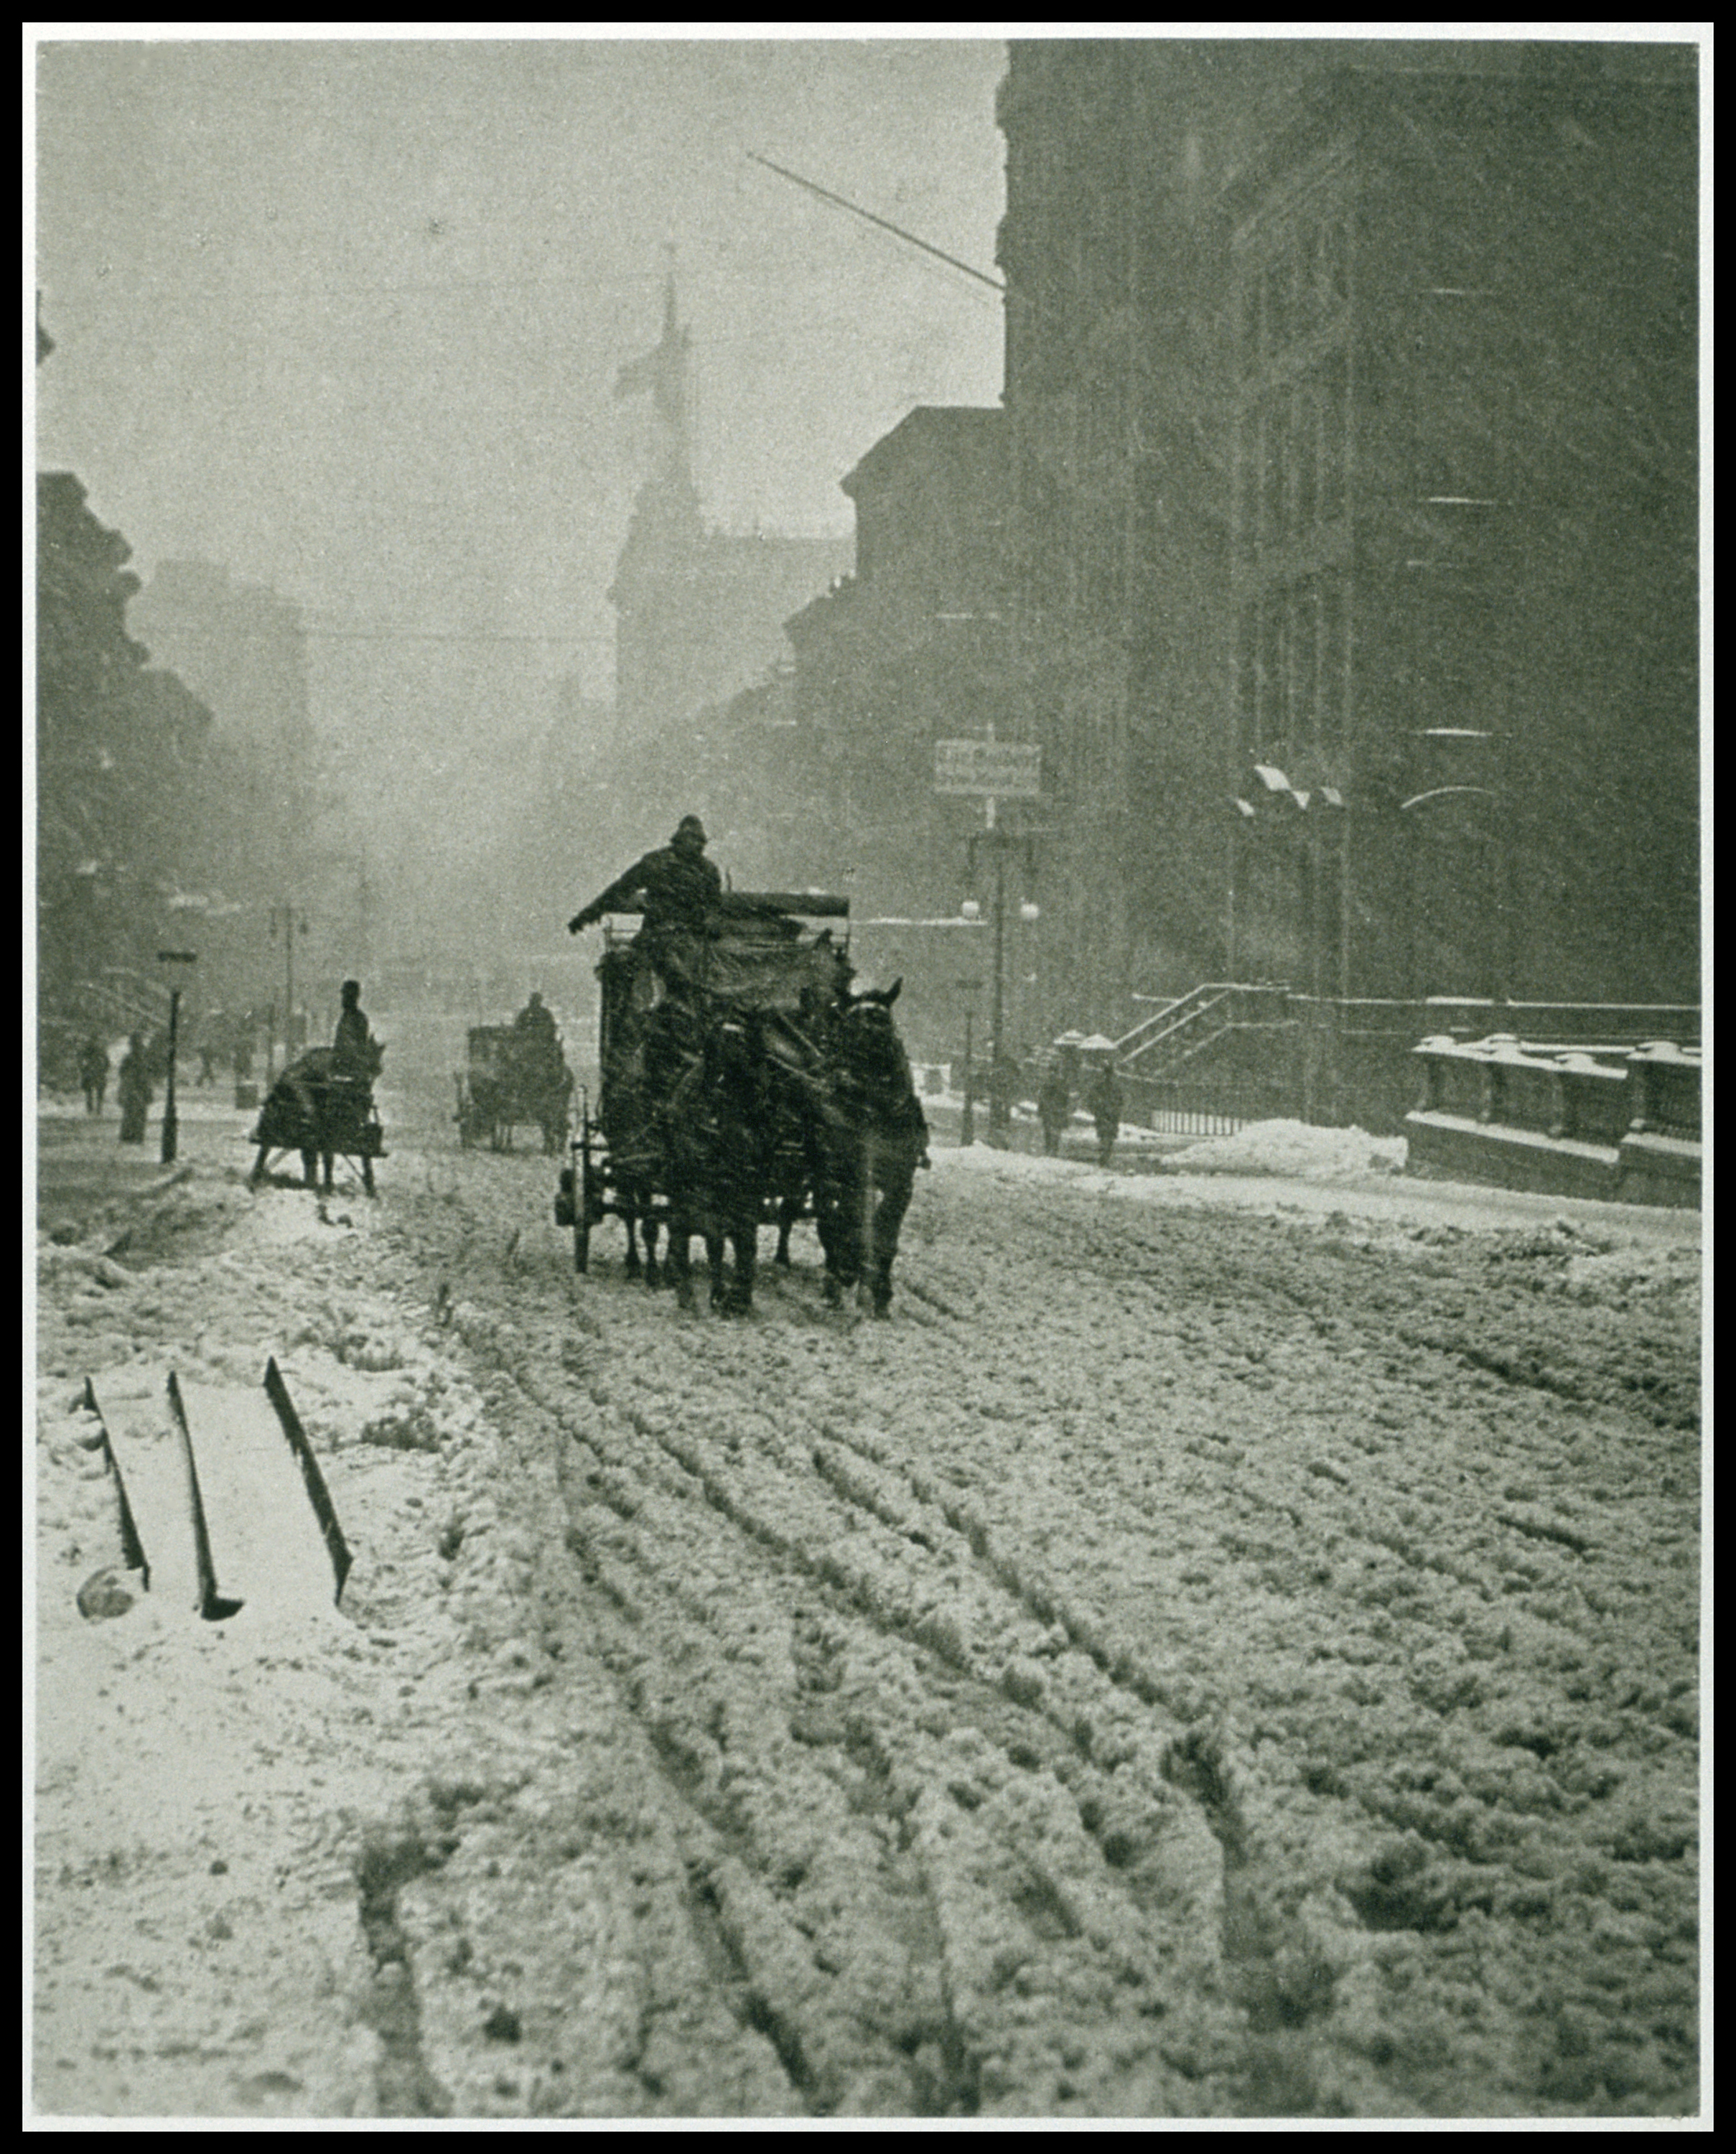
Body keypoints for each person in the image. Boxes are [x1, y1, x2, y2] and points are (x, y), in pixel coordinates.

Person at [567, 815, 723, 938]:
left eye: (701, 841)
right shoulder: (656, 863)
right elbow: (620, 889)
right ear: (681, 839)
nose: (698, 845)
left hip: (695, 937)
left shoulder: (708, 870)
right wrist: (585, 918)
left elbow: (714, 904)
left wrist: (712, 921)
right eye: (693, 839)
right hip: (658, 934)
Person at [332, 979, 380, 1081]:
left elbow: (355, 1047)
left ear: (354, 997)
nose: (343, 999)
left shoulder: (358, 1018)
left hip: (349, 1067)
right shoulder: (346, 1017)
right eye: (344, 996)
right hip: (341, 1064)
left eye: (347, 996)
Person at [1085, 1060, 1125, 1167]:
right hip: (1108, 1114)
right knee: (1108, 1136)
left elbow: (1091, 1098)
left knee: (1105, 1135)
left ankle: (1105, 1155)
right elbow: (1121, 1101)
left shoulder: (1100, 1086)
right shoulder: (1113, 1087)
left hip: (1104, 1114)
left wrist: (1095, 1109)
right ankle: (1105, 1156)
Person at [116, 1032, 151, 1145]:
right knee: (139, 1113)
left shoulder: (130, 1058)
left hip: (133, 1088)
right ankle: (137, 1136)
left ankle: (129, 1136)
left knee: (131, 1112)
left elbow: (122, 1073)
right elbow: (148, 1074)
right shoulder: (144, 1057)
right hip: (139, 1088)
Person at [1037, 1060, 1072, 1156]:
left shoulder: (1047, 1082)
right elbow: (1066, 1097)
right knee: (1055, 1130)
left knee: (1048, 1130)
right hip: (1057, 1110)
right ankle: (1054, 1149)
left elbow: (1042, 1097)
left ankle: (1049, 1149)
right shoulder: (1062, 1082)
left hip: (1049, 1110)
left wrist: (1040, 1109)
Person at [78, 1035, 110, 1116]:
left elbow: (107, 1062)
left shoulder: (92, 1050)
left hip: (95, 1072)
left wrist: (83, 1069)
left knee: (93, 1092)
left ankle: (94, 1109)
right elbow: (107, 1062)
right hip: (96, 1072)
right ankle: (95, 1109)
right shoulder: (98, 1050)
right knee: (94, 1092)